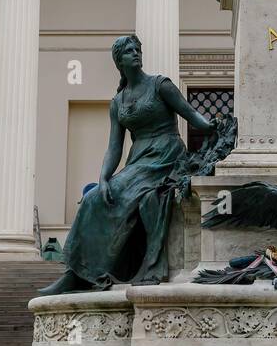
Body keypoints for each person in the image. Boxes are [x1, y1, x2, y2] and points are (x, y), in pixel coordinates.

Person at [40, 35, 217, 295]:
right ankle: (77, 273)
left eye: (137, 49)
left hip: (166, 155)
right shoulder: (118, 102)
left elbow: (190, 114)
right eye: (129, 51)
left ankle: (81, 275)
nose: (136, 53)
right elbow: (114, 146)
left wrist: (212, 127)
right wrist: (103, 178)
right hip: (139, 159)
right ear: (119, 62)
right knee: (93, 199)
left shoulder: (161, 85)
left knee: (121, 196)